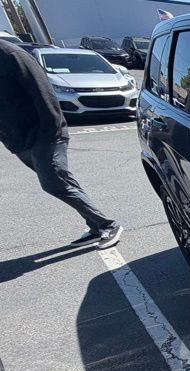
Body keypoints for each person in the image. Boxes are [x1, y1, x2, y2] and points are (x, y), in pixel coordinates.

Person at [0, 38, 122, 249]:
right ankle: (96, 226)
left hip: (43, 134)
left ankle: (108, 225)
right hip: (18, 140)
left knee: (53, 183)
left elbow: (41, 89)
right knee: (63, 181)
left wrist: (50, 129)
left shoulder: (10, 55)